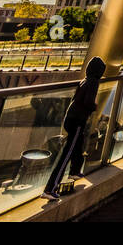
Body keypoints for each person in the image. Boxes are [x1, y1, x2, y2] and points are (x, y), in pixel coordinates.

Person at [41, 55, 106, 201]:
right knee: (67, 152)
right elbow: (88, 102)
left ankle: (75, 171)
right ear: (100, 71)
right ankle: (50, 188)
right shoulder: (94, 82)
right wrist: (95, 107)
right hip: (77, 120)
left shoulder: (85, 80)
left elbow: (75, 99)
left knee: (77, 144)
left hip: (70, 118)